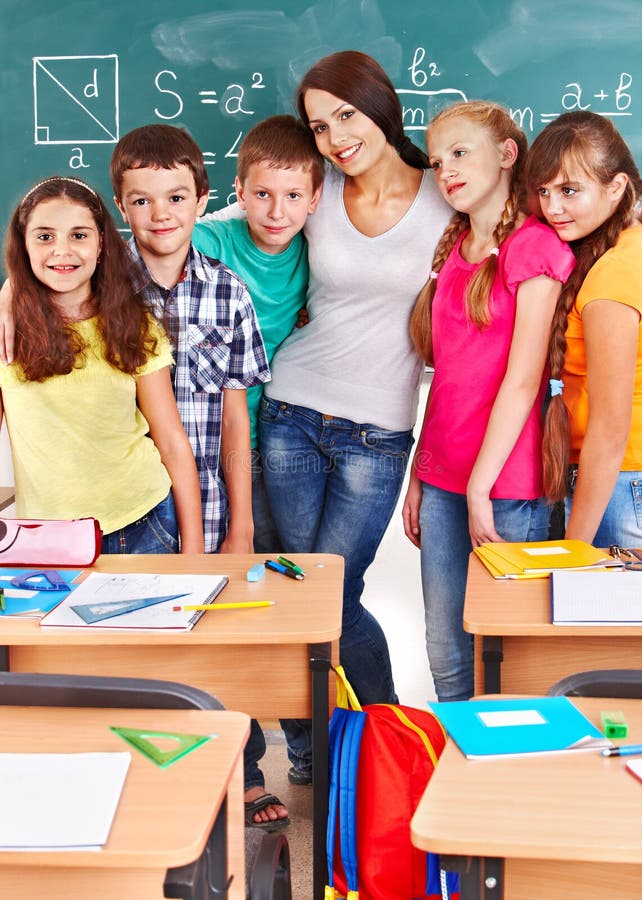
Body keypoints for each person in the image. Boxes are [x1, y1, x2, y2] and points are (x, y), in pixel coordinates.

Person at [257, 50, 451, 716]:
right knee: (298, 588)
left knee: (331, 593)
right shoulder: (316, 191)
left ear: (378, 105)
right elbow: (229, 225)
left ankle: (388, 734)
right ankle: (324, 749)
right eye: (317, 127)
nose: (335, 139)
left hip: (379, 432)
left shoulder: (444, 192)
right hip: (289, 412)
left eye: (345, 115)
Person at [402, 101, 576, 702]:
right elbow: (447, 378)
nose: (445, 170)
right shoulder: (453, 248)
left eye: (459, 153)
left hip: (502, 485)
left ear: (506, 154)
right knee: (446, 651)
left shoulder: (533, 248)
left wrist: (479, 486)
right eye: (436, 160)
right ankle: (458, 777)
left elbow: (523, 380)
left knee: (499, 655)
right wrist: (421, 476)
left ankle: (500, 784)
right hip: (446, 476)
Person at [194, 115, 324, 829]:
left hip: (280, 436)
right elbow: (108, 263)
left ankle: (306, 750)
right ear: (237, 192)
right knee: (225, 599)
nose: (275, 213)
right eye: (261, 195)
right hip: (205, 437)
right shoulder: (211, 236)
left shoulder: (321, 245)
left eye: (291, 196)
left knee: (283, 593)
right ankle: (241, 767)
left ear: (313, 197)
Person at [0, 175, 204, 555]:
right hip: (47, 536)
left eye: (79, 235)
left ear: (101, 245)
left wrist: (194, 548)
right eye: (45, 236)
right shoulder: (6, 331)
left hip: (144, 523)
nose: (63, 251)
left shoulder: (134, 324)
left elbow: (172, 441)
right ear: (23, 246)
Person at [109, 124, 270, 556]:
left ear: (201, 200)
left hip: (208, 514)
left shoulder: (228, 291)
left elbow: (235, 419)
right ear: (121, 208)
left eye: (176, 198)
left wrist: (243, 526)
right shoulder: (99, 290)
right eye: (142, 201)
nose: (161, 214)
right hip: (122, 516)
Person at [525, 111, 642, 547]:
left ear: (616, 187)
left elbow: (611, 430)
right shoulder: (626, 244)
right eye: (544, 191)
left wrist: (572, 550)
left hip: (619, 485)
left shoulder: (613, 275)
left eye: (569, 190)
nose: (552, 208)